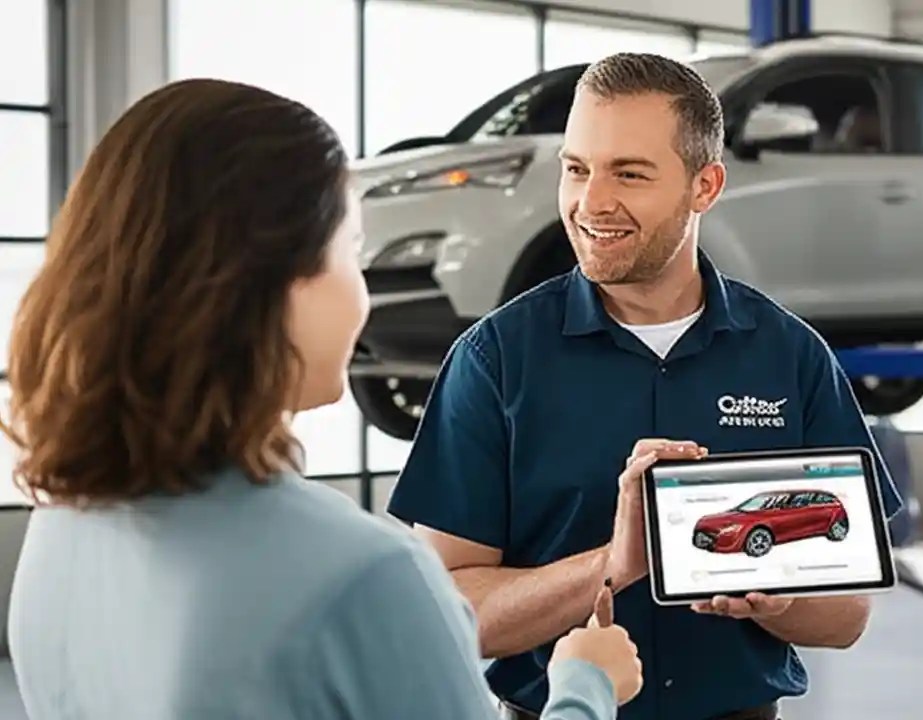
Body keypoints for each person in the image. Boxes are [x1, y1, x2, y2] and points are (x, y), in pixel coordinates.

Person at [1, 78, 642, 720]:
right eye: (351, 252)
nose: (362, 294)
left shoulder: (63, 524)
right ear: (271, 282)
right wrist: (585, 685)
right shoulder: (363, 576)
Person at [388, 52, 903, 720]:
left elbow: (848, 615)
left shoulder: (791, 357)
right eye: (577, 169)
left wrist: (779, 602)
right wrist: (616, 562)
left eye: (628, 173)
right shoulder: (495, 360)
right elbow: (450, 611)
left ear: (705, 186)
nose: (591, 202)